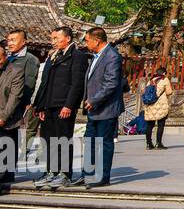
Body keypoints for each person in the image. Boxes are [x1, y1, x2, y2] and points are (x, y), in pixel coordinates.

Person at [32, 26, 86, 189]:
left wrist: (69, 105)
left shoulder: (77, 56)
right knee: (48, 141)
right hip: (49, 105)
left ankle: (64, 174)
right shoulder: (53, 57)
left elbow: (77, 84)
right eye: (52, 38)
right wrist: (40, 106)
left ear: (68, 38)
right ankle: (51, 171)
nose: (53, 41)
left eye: (56, 38)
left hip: (63, 105)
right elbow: (44, 84)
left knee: (63, 140)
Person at [79, 28, 124, 188]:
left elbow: (111, 83)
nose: (86, 43)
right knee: (90, 141)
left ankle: (102, 176)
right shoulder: (96, 57)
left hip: (106, 108)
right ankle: (87, 174)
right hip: (94, 108)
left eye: (87, 40)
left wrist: (95, 99)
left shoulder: (112, 56)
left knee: (104, 143)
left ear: (96, 40)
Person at [0, 44, 33, 194]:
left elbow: (15, 96)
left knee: (7, 147)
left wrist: (3, 117)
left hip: (9, 117)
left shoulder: (15, 71)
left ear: (5, 57)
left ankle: (7, 175)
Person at [141, 66, 172, 149]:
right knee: (160, 125)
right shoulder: (165, 80)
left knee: (150, 125)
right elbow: (169, 92)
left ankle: (148, 144)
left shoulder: (150, 81)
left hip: (150, 105)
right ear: (164, 73)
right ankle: (158, 143)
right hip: (161, 105)